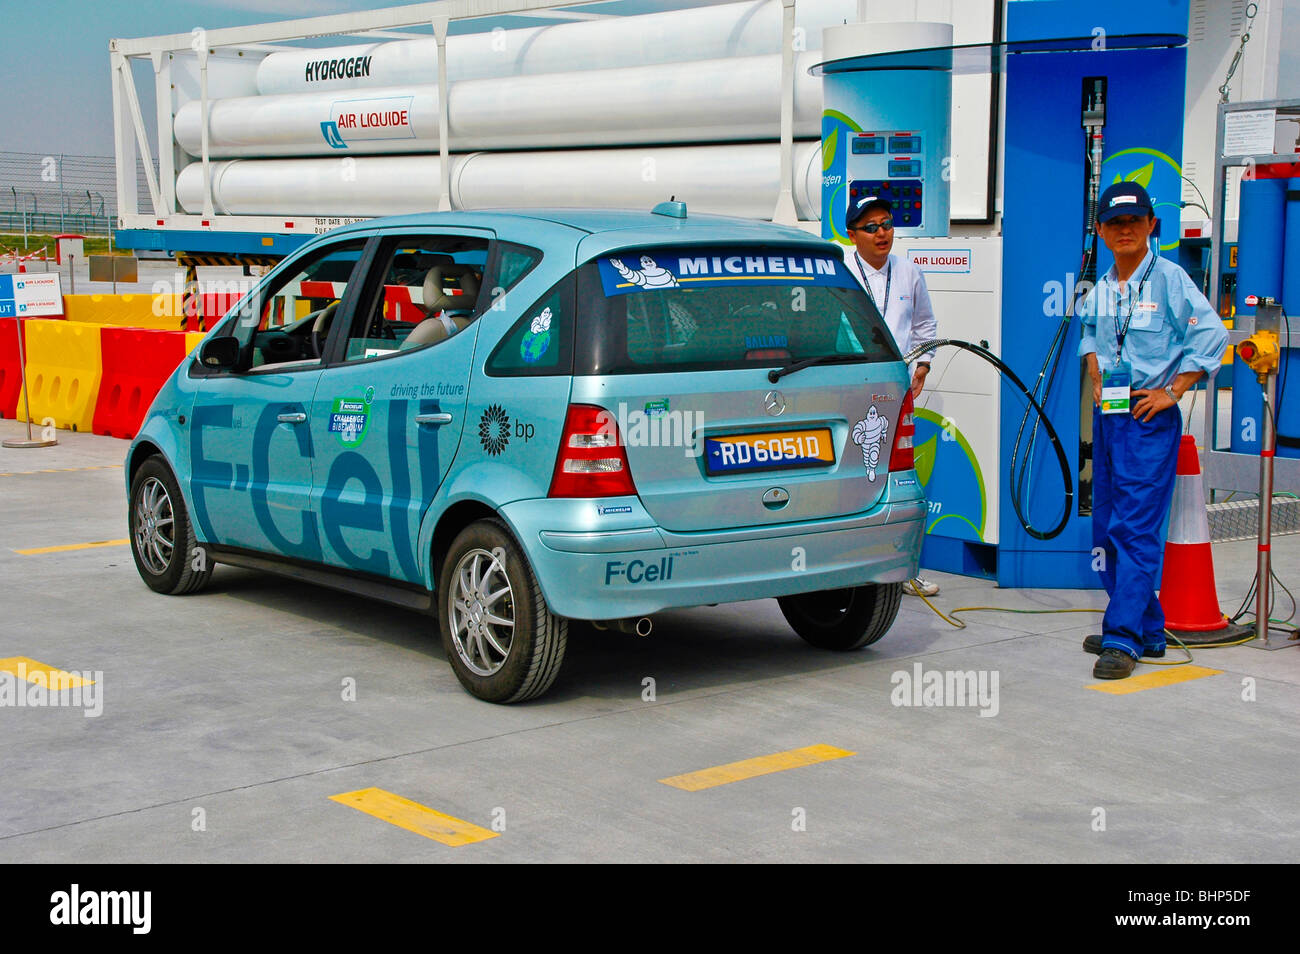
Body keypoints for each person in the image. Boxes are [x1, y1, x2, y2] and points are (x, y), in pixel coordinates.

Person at [1077, 182, 1227, 679]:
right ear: (1100, 230)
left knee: (1136, 528)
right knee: (1109, 526)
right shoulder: (1102, 288)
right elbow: (1091, 337)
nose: (1124, 230)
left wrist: (1175, 389)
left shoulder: (1169, 280)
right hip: (1111, 416)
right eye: (1114, 223)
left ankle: (1121, 636)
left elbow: (1212, 334)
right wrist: (1097, 371)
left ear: (1150, 226)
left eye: (1133, 222)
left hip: (1146, 417)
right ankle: (1147, 629)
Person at [844, 193, 942, 597]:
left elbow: (925, 326)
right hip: (847, 385)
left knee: (897, 476)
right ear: (852, 235)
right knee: (851, 476)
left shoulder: (909, 272)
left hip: (894, 389)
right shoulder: (842, 269)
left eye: (886, 224)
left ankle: (903, 567)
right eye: (871, 227)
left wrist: (922, 365)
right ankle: (847, 563)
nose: (882, 233)